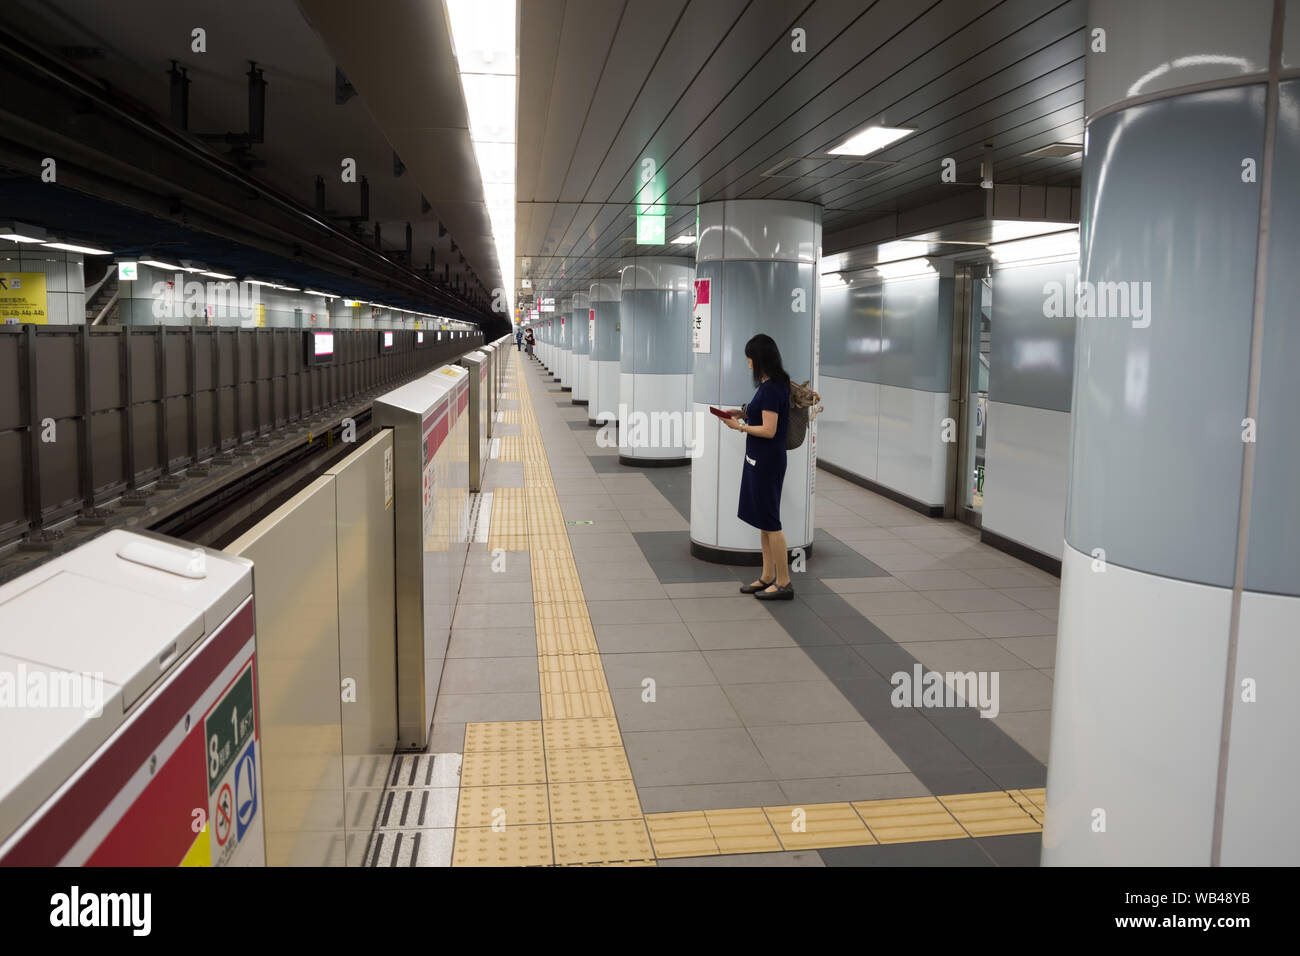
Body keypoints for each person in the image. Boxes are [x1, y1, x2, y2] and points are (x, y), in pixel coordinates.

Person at [721, 333, 793, 600]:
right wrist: (742, 412)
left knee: (771, 521)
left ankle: (784, 581)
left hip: (768, 461)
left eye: (749, 359)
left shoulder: (773, 388)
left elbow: (769, 430)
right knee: (764, 519)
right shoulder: (768, 385)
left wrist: (739, 427)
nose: (748, 364)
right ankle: (767, 575)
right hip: (759, 459)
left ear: (760, 360)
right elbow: (762, 415)